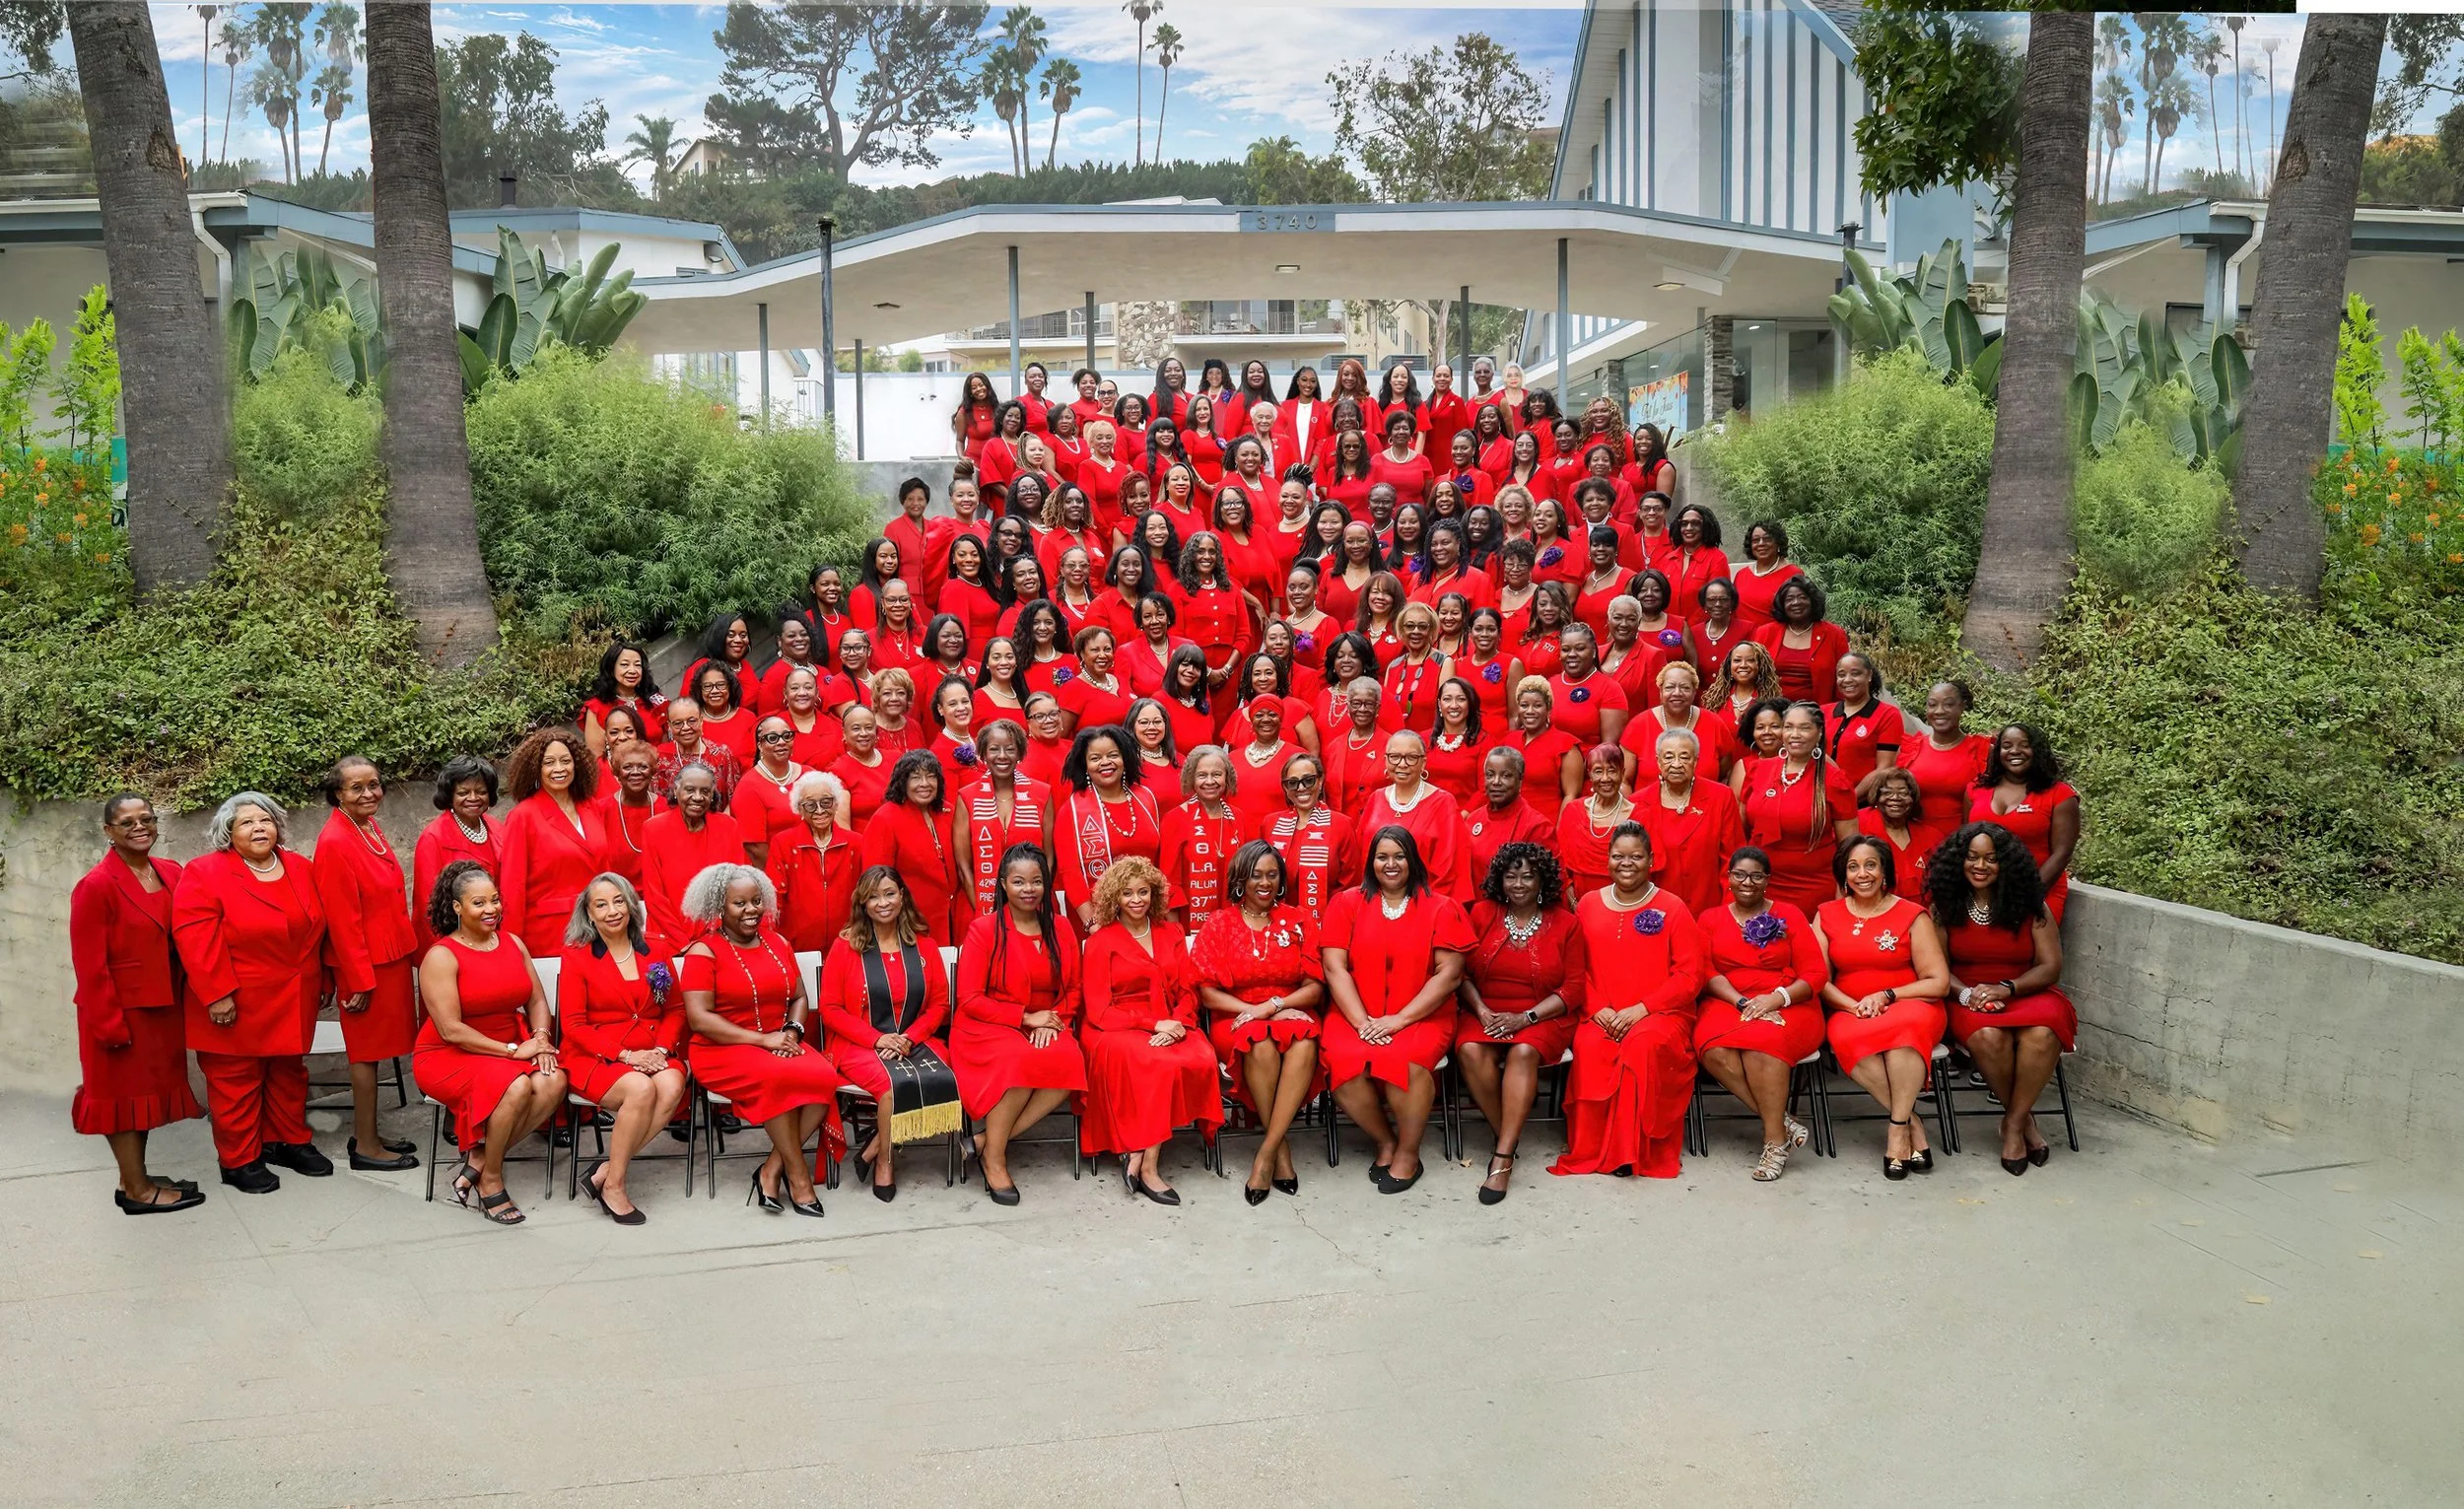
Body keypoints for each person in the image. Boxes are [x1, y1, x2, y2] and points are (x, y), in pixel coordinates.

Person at [175, 792, 331, 1194]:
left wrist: (324, 980)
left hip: (293, 994)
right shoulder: (205, 872)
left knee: (287, 1075)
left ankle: (286, 1141)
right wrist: (216, 994)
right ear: (228, 833)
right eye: (246, 823)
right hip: (237, 998)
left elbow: (320, 930)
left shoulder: (300, 867)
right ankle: (239, 1160)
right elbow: (195, 938)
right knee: (235, 1082)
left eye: (265, 820)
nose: (258, 828)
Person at [678, 864, 845, 1216]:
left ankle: (771, 1169)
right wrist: (761, 1040)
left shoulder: (778, 942)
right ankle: (798, 1177)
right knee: (778, 1079)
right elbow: (699, 1018)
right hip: (722, 1048)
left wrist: (791, 1031)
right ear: (718, 908)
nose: (751, 910)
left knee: (825, 1078)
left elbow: (799, 997)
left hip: (779, 1040)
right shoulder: (703, 951)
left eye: (756, 901)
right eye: (739, 903)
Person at [68, 793, 207, 1213]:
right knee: (120, 1102)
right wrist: (108, 1026)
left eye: (146, 819)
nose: (139, 827)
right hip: (118, 1013)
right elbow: (90, 967)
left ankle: (136, 1175)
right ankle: (136, 1192)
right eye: (126, 822)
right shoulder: (95, 886)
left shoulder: (169, 872)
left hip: (161, 1009)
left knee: (140, 1100)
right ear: (109, 831)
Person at [1320, 827, 1473, 1194]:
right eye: (1382, 856)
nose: (1390, 864)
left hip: (1421, 1014)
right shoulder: (1347, 903)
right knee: (1342, 1062)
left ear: (1413, 861)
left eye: (1399, 856)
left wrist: (1398, 1020)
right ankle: (1386, 1141)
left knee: (1405, 1059)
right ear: (1371, 862)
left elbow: (1449, 974)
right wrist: (1360, 1022)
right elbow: (1333, 967)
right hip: (1356, 1012)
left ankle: (1408, 1152)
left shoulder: (1441, 907)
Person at [414, 860, 565, 1224]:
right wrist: (514, 1051)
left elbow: (537, 1001)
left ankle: (480, 1159)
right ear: (457, 908)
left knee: (554, 1080)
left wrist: (540, 1038)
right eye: (479, 903)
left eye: (495, 900)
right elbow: (450, 1029)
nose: (492, 909)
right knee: (514, 1087)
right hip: (449, 1053)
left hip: (511, 1043)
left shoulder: (512, 942)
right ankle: (491, 1181)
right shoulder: (441, 955)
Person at [1553, 823, 1703, 1180]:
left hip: (1661, 1014)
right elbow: (1575, 970)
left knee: (1642, 1046)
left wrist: (1643, 1009)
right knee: (1590, 1046)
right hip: (1600, 1013)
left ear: (1651, 860)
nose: (1627, 863)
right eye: (1619, 856)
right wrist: (1598, 1009)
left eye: (1636, 857)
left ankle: (1629, 1153)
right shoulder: (1587, 905)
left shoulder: (1673, 907)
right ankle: (1590, 1149)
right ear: (1607, 861)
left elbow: (1689, 976)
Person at [1074, 858, 1217, 1202]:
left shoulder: (1172, 933)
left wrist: (1178, 1024)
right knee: (1159, 1065)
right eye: (1127, 893)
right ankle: (1150, 1166)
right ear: (1114, 898)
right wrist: (1154, 1024)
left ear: (1154, 895)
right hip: (1113, 1026)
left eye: (1143, 892)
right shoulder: (1100, 942)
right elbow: (1099, 1010)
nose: (1136, 900)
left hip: (1172, 1020)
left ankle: (1136, 1154)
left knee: (1202, 1057)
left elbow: (1187, 990)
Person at [953, 845, 1088, 1205]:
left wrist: (1054, 1020)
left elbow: (1074, 989)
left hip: (1049, 1021)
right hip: (987, 1024)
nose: (1029, 889)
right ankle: (995, 1160)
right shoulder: (984, 930)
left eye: (1036, 882)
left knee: (1070, 1062)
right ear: (1003, 884)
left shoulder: (1060, 927)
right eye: (1018, 882)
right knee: (1017, 1061)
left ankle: (985, 1142)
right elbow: (969, 998)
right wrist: (1025, 1018)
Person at [815, 865, 961, 1202]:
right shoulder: (847, 946)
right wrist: (877, 1038)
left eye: (890, 893)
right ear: (862, 903)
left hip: (914, 1039)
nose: (883, 902)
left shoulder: (923, 943)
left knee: (948, 1072)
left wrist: (909, 1038)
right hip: (859, 1043)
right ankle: (885, 1160)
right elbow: (831, 1008)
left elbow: (940, 1004)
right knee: (894, 1086)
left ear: (902, 896)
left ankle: (874, 1146)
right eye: (873, 896)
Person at [1192, 842, 1325, 1203]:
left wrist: (1272, 1006)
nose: (1264, 882)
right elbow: (1206, 993)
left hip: (1290, 1009)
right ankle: (1280, 1151)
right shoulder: (1220, 922)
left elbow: (1314, 987)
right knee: (1259, 1042)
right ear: (1240, 879)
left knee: (1306, 1038)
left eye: (1272, 874)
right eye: (1256, 875)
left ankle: (1266, 1153)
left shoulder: (1299, 920)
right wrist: (1253, 1011)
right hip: (1235, 1017)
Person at [308, 756, 422, 1172]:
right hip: (365, 968)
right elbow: (341, 918)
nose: (369, 793)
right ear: (337, 793)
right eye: (356, 787)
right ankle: (367, 1148)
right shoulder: (336, 840)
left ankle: (368, 1132)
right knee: (365, 1056)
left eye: (374, 784)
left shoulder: (365, 826)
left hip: (386, 958)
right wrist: (358, 981)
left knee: (375, 1054)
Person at [1456, 842, 1584, 1204]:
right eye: (1511, 875)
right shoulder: (1481, 914)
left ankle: (1503, 1156)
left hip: (1542, 1014)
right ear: (1500, 878)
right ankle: (1506, 1131)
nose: (1519, 884)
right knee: (1468, 1048)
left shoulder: (1566, 923)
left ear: (1542, 880)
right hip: (1487, 1009)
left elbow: (1574, 988)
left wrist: (1525, 1017)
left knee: (1524, 1051)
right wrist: (1480, 1011)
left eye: (1528, 876)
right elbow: (1459, 972)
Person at [1816, 835, 1951, 1178]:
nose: (1862, 874)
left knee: (1903, 1035)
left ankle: (1895, 1131)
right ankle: (1912, 1122)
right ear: (1843, 875)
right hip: (1851, 1009)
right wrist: (1852, 1006)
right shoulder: (1826, 915)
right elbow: (1818, 978)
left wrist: (1888, 996)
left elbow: (1938, 982)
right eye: (1853, 867)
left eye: (1870, 865)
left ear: (1885, 871)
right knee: (1849, 1040)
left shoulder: (1912, 915)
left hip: (1910, 1003)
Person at [1691, 847, 1827, 1182]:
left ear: (1767, 880)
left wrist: (1775, 999)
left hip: (1788, 1002)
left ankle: (1773, 1142)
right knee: (1711, 1047)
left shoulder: (1790, 915)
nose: (1746, 882)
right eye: (1739, 875)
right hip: (1729, 1001)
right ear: (1728, 879)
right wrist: (1742, 1003)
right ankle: (1781, 1121)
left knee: (1762, 1043)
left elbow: (1815, 974)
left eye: (1755, 876)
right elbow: (1705, 972)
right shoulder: (1710, 918)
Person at [557, 874, 686, 1224]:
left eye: (619, 901)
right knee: (641, 1089)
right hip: (597, 1055)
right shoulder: (577, 956)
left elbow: (674, 1009)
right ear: (589, 913)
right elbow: (573, 1026)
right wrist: (626, 1056)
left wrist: (661, 1049)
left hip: (654, 1049)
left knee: (673, 1084)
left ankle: (606, 1171)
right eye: (601, 904)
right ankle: (614, 1185)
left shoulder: (656, 948)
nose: (613, 911)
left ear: (631, 904)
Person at [496, 726, 611, 954]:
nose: (559, 769)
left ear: (576, 764)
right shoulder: (523, 816)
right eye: (549, 762)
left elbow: (605, 871)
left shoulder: (591, 808)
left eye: (565, 761)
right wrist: (512, 948)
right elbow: (512, 887)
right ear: (535, 769)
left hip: (598, 929)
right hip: (549, 935)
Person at [1742, 703, 1860, 916]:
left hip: (1811, 886)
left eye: (1804, 728)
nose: (1795, 735)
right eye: (1788, 727)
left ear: (1819, 732)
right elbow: (1741, 828)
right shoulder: (1759, 769)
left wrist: (1842, 896)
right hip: (1759, 882)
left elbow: (1848, 848)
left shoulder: (1833, 780)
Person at [1967, 723, 2083, 922]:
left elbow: (2062, 854)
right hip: (1982, 892)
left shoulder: (2060, 795)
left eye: (2024, 745)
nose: (2014, 751)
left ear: (2037, 750)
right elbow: (1965, 842)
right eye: (2007, 745)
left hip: (2038, 893)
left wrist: (2027, 896)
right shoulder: (1975, 790)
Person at [1055, 725, 1164, 927]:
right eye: (1095, 758)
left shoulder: (1145, 798)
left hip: (1145, 914)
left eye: (1113, 755)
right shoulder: (1071, 810)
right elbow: (1070, 872)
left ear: (1125, 758)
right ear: (1085, 765)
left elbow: (1158, 862)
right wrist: (1093, 924)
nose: (1106, 762)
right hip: (1098, 921)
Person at [862, 750, 971, 942]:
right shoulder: (884, 818)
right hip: (911, 923)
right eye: (915, 778)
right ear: (902, 782)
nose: (924, 784)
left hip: (955, 919)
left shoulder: (949, 812)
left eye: (931, 776)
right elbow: (876, 880)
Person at [1636, 728, 1745, 916]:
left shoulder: (1721, 797)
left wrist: (1727, 911)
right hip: (1656, 913)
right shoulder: (1638, 803)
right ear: (1658, 761)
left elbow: (1734, 861)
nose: (1676, 764)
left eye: (1685, 757)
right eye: (1669, 757)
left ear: (1696, 761)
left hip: (1709, 909)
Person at [640, 763, 742, 950]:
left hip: (718, 938)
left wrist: (711, 937)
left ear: (712, 795)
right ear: (676, 791)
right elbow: (654, 897)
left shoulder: (728, 827)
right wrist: (683, 943)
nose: (697, 797)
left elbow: (737, 887)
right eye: (689, 790)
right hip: (669, 939)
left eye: (705, 791)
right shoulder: (653, 829)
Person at [1354, 731, 1467, 897]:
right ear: (1385, 760)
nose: (1402, 764)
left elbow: (1449, 872)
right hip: (1377, 902)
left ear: (1423, 763)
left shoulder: (1444, 803)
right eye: (1394, 756)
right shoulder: (1375, 799)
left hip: (1425, 905)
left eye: (1411, 757)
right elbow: (1362, 858)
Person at [413, 756, 502, 951]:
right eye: (463, 792)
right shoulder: (433, 838)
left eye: (481, 792)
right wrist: (447, 953)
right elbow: (428, 906)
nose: (473, 798)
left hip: (491, 937)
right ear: (449, 795)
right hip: (454, 945)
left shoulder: (495, 827)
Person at [768, 772, 860, 954]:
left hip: (848, 945)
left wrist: (860, 927)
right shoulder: (783, 843)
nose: (819, 810)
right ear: (799, 809)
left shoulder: (856, 843)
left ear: (836, 804)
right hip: (797, 947)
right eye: (810, 805)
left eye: (826, 802)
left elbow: (866, 893)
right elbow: (773, 897)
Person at [1158, 747, 1249, 929]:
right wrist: (1176, 934)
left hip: (1233, 923)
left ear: (1227, 777)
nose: (1210, 781)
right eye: (1202, 775)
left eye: (1216, 774)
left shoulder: (1237, 817)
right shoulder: (1175, 818)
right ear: (1191, 779)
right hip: (1188, 925)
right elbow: (1168, 885)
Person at [1900, 679, 1992, 829]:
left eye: (1948, 704)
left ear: (1962, 706)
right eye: (1932, 704)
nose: (1939, 711)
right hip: (1915, 841)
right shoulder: (1910, 748)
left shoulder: (1982, 750)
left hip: (1962, 843)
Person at [1556, 743, 1635, 901]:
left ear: (1622, 773)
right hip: (1578, 902)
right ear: (1589, 775)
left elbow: (1646, 869)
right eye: (1598, 771)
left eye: (1612, 771)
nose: (1605, 778)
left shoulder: (1639, 815)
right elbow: (1560, 864)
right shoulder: (1573, 811)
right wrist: (1573, 903)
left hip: (1626, 902)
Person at [1823, 652, 1901, 800]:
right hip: (1821, 801)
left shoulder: (1887, 714)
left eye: (1855, 673)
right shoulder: (1822, 712)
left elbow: (1884, 767)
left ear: (1869, 675)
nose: (1847, 680)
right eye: (1841, 674)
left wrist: (1849, 799)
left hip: (1861, 803)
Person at [732, 716, 808, 868]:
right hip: (777, 872)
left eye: (787, 736)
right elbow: (756, 849)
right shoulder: (749, 786)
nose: (781, 742)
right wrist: (784, 874)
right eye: (772, 738)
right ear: (760, 744)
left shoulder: (809, 775)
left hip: (813, 866)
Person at [1859, 769, 1941, 902]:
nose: (1895, 798)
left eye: (1903, 793)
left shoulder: (1932, 837)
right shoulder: (1859, 825)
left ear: (1912, 799)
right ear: (1876, 796)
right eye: (1887, 792)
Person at [582, 640, 668, 755]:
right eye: (624, 665)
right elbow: (596, 758)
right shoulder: (597, 706)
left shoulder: (655, 700)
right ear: (611, 669)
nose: (632, 671)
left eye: (637, 665)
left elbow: (667, 746)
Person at [657, 701, 742, 808]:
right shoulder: (660, 756)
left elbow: (734, 800)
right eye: (678, 723)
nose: (686, 727)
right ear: (669, 725)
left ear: (701, 721)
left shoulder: (721, 754)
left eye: (692, 721)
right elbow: (657, 801)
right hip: (672, 822)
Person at [830, 705, 895, 823]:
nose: (864, 733)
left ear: (876, 731)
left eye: (869, 728)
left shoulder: (896, 759)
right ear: (844, 733)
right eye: (856, 729)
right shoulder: (837, 771)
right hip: (863, 839)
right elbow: (843, 828)